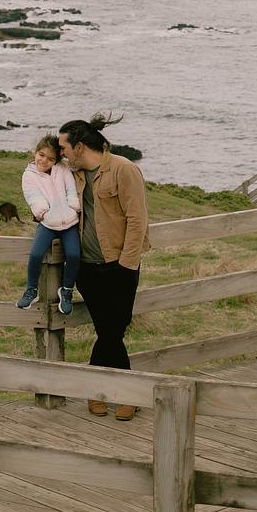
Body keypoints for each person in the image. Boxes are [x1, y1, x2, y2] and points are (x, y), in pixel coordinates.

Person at [58, 113, 149, 421]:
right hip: (86, 267)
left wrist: (126, 265)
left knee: (112, 330)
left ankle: (102, 391)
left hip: (120, 265)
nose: (63, 155)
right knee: (109, 330)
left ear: (80, 147)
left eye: (65, 148)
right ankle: (125, 395)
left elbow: (138, 220)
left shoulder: (124, 170)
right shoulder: (74, 175)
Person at [17, 134, 81, 316]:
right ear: (35, 152)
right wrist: (42, 211)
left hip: (69, 222)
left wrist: (73, 206)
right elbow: (32, 196)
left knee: (74, 255)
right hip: (47, 223)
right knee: (36, 254)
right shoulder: (29, 176)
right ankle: (31, 290)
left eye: (51, 158)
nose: (44, 161)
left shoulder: (63, 169)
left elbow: (71, 188)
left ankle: (67, 290)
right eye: (41, 155)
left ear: (57, 161)